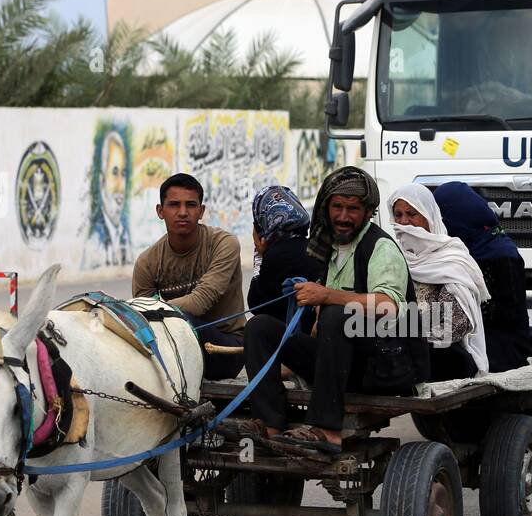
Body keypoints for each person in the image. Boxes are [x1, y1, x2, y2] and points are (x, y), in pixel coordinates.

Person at [242, 167, 427, 453]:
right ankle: (269, 424)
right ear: (326, 208)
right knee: (259, 327)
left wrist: (327, 297)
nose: (342, 217)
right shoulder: (332, 248)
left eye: (352, 209)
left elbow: (390, 305)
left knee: (337, 315)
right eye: (336, 207)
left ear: (368, 212)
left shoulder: (380, 247)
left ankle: (328, 430)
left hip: (383, 364)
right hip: (337, 363)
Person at [131, 172, 246, 380]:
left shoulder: (224, 244)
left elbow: (200, 302)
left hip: (224, 349)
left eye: (191, 205)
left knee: (184, 321)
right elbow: (142, 321)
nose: (183, 212)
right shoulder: (147, 262)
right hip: (175, 349)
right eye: (174, 205)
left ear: (201, 211)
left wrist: (154, 311)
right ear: (160, 211)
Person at [388, 183, 490, 381]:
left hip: (443, 354)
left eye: (411, 214)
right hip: (403, 349)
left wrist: (409, 339)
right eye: (398, 215)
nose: (404, 222)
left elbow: (455, 327)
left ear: (428, 216)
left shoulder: (451, 260)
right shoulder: (393, 256)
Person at [433, 182, 532, 372]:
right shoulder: (463, 249)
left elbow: (500, 317)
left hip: (501, 350)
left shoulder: (502, 254)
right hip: (473, 341)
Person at [246, 184, 323, 332]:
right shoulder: (313, 248)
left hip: (295, 341)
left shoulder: (275, 255)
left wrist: (260, 256)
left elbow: (256, 304)